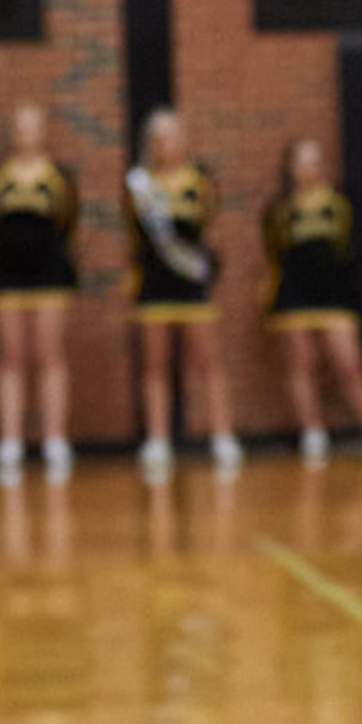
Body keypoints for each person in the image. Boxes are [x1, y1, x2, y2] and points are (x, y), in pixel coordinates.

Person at [261, 137, 362, 467]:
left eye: (314, 160)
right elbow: (274, 252)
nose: (308, 167)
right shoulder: (280, 209)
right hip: (293, 298)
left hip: (334, 296)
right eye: (301, 160)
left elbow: (350, 248)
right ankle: (313, 434)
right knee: (301, 366)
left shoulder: (340, 204)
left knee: (350, 364)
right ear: (290, 167)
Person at [125, 107, 244, 480]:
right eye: (158, 137)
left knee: (208, 362)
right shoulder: (139, 184)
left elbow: (213, 234)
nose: (165, 143)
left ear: (183, 139)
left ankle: (222, 437)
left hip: (193, 285)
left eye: (172, 135)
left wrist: (211, 274)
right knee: (155, 365)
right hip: (154, 286)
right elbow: (132, 236)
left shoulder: (199, 182)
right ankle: (158, 440)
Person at [0, 103, 79, 484]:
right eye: (20, 126)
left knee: (50, 354)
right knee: (11, 356)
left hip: (49, 274)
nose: (26, 133)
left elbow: (69, 217)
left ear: (44, 130)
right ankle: (11, 441)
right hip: (8, 275)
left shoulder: (58, 178)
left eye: (33, 126)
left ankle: (54, 440)